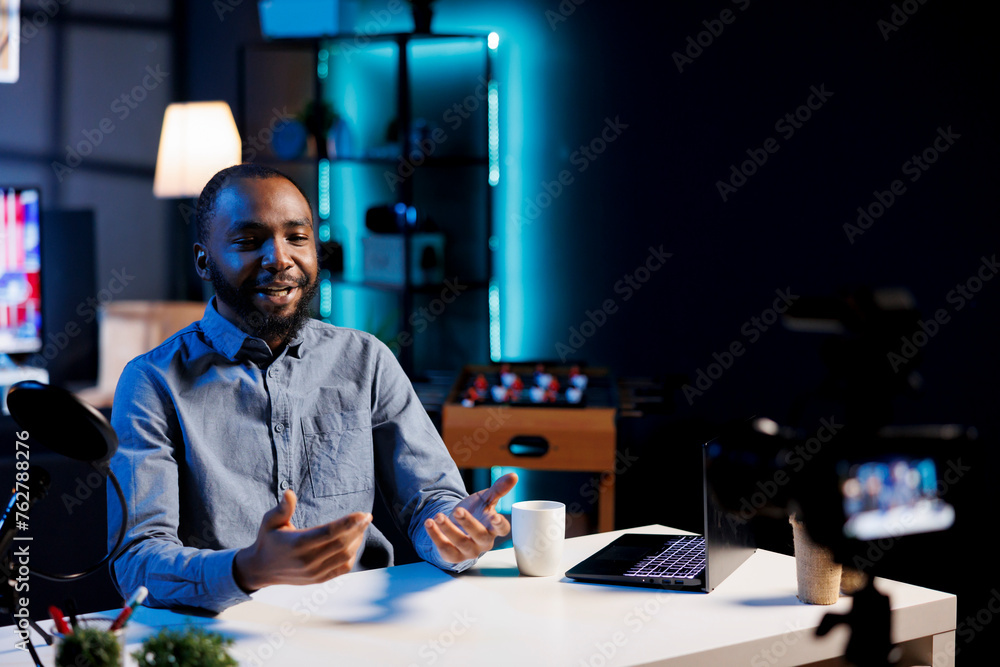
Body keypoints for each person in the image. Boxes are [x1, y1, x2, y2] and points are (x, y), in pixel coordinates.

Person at [108, 163, 517, 613]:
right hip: (224, 634)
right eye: (249, 241)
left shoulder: (366, 360)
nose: (280, 258)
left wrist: (456, 536)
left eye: (297, 238)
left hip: (357, 626)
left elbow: (430, 501)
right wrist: (246, 569)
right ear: (204, 260)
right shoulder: (151, 382)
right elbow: (136, 561)